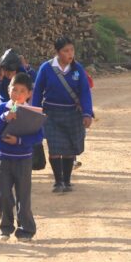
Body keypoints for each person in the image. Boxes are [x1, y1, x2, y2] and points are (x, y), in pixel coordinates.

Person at [33, 37, 94, 193]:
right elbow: (38, 91)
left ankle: (67, 181)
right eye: (66, 51)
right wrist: (35, 112)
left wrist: (87, 113)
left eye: (72, 50)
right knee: (54, 148)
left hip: (72, 113)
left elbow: (85, 92)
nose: (70, 54)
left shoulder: (77, 69)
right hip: (51, 114)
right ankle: (58, 181)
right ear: (58, 52)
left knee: (69, 149)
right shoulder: (46, 68)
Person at [0, 72, 45, 242]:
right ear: (8, 90)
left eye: (22, 91)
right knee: (3, 194)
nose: (18, 94)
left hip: (23, 159)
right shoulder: (1, 109)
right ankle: (5, 227)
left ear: (29, 94)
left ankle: (26, 229)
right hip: (4, 159)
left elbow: (38, 136)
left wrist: (19, 140)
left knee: (23, 195)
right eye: (14, 90)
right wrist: (4, 118)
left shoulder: (33, 112)